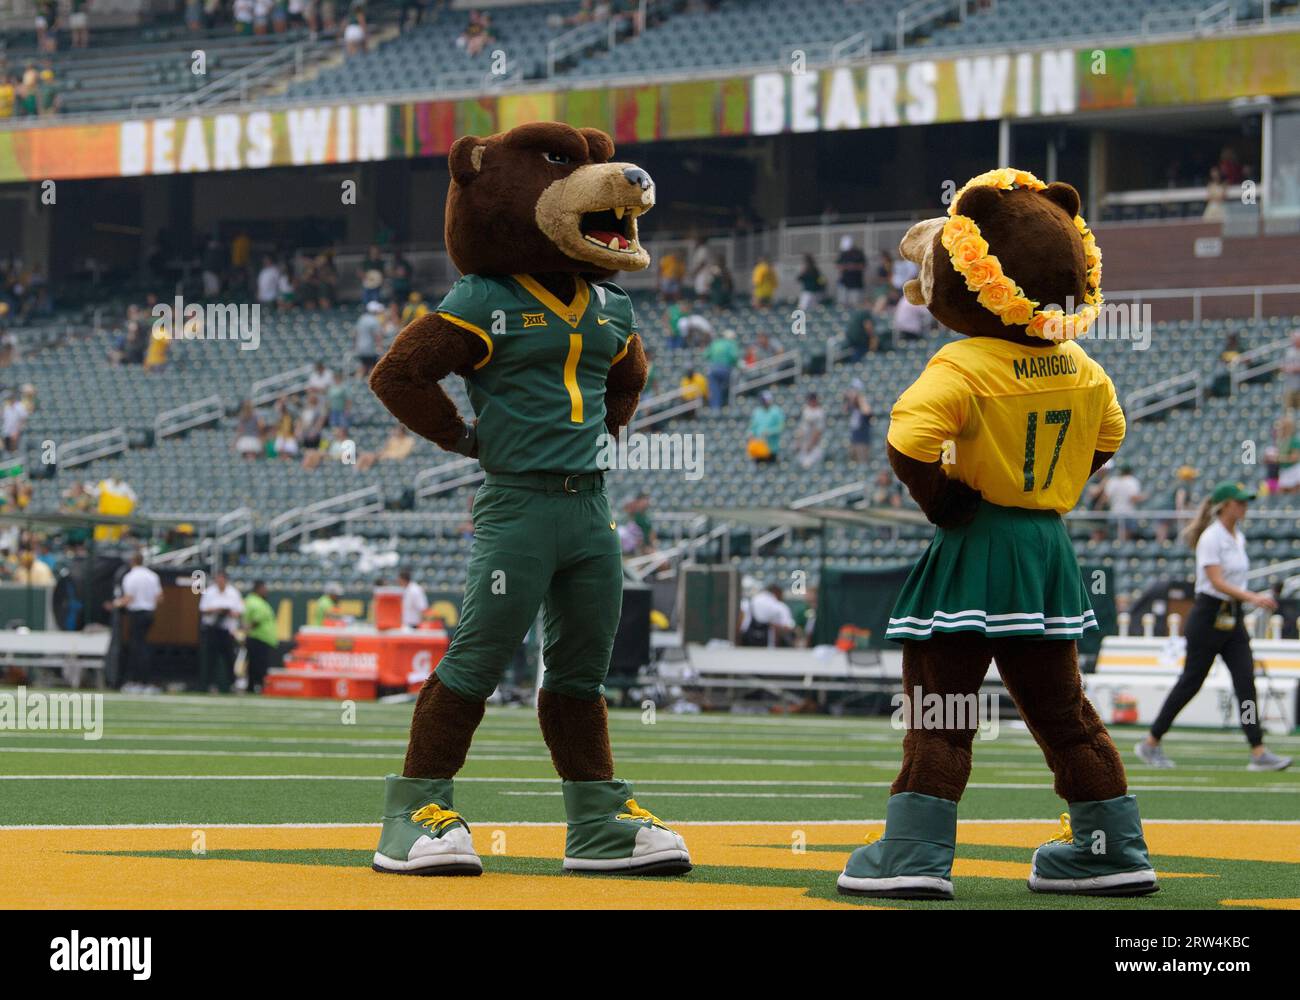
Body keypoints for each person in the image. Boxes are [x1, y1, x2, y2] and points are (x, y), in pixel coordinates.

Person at [1136, 481, 1292, 772]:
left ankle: (1258, 750)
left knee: (1246, 681)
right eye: (1240, 502)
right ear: (1225, 505)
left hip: (1231, 617)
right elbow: (1217, 581)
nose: (1245, 507)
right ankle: (1151, 740)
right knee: (1191, 683)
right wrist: (1253, 597)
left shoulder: (1238, 537)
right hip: (1208, 616)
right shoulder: (1212, 538)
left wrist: (1247, 599)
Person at [107, 552, 163, 692]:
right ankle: (144, 681)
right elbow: (159, 598)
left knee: (137, 648)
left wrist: (114, 604)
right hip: (149, 614)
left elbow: (129, 599)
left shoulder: (130, 577)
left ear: (132, 561)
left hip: (137, 614)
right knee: (143, 646)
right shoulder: (152, 576)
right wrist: (149, 601)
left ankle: (138, 681)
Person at [198, 570, 244, 693]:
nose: (219, 581)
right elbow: (202, 609)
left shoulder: (233, 593)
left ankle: (232, 684)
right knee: (211, 658)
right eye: (218, 579)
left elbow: (239, 611)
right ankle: (211, 685)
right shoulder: (209, 592)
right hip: (212, 629)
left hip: (227, 630)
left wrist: (228, 612)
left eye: (221, 579)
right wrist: (217, 610)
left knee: (230, 658)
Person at [740, 583, 797, 647]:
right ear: (777, 592)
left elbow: (742, 625)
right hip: (769, 644)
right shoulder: (779, 605)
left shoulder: (751, 601)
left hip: (749, 642)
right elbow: (788, 626)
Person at [1102, 462, 1145, 540]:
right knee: (1125, 538)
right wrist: (1144, 497)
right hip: (1127, 513)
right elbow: (1133, 498)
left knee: (1117, 536)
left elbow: (1105, 499)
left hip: (1114, 513)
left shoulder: (1112, 481)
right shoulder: (1131, 481)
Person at [703, 328, 739, 410]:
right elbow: (734, 357)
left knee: (715, 390)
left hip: (713, 370)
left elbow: (705, 355)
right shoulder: (731, 343)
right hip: (725, 370)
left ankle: (715, 410)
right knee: (727, 387)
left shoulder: (715, 343)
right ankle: (728, 405)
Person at [747, 391, 785, 462]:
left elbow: (780, 427)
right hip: (759, 446)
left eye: (765, 400)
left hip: (772, 447)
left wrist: (770, 431)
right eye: (763, 400)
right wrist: (750, 433)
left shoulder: (776, 411)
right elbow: (752, 427)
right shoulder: (757, 411)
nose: (764, 402)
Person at [793, 392, 826, 470]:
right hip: (803, 443)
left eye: (812, 399)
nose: (811, 401)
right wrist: (797, 442)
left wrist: (811, 445)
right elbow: (801, 428)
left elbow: (818, 431)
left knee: (809, 466)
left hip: (815, 446)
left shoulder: (820, 412)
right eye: (809, 400)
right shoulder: (806, 410)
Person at [844, 379, 873, 463]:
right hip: (853, 439)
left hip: (862, 441)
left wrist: (859, 398)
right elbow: (844, 410)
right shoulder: (853, 406)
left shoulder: (863, 404)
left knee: (862, 463)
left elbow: (867, 412)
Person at [834, 236, 866, 308]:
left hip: (856, 284)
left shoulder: (859, 253)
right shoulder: (843, 254)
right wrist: (847, 266)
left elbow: (863, 266)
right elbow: (838, 266)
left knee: (856, 304)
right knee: (843, 304)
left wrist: (854, 266)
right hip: (845, 283)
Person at [355, 300, 384, 375]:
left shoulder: (361, 319)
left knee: (363, 367)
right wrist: (380, 348)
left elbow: (356, 334)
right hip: (370, 349)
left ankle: (358, 383)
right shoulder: (374, 320)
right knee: (373, 368)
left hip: (360, 349)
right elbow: (377, 336)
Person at [1282, 328, 1300, 411]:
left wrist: (1295, 368)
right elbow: (1282, 365)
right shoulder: (1289, 351)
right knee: (1288, 410)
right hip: (1290, 385)